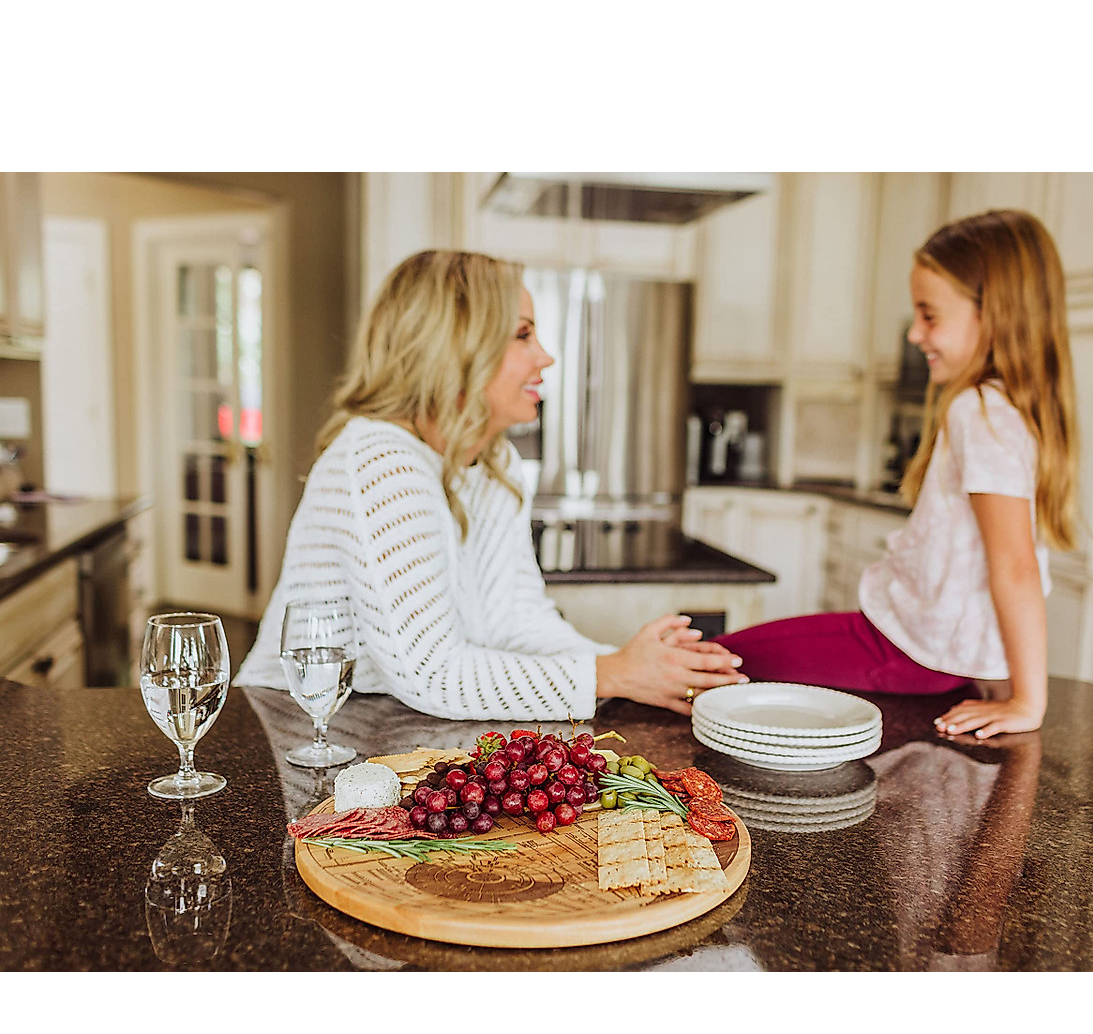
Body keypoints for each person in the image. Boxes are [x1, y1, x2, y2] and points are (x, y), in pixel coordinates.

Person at [235, 249, 747, 721]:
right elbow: (431, 673)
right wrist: (613, 673)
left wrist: (639, 668)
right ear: (455, 347)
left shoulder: (492, 457)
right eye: (523, 335)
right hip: (304, 726)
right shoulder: (380, 461)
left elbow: (517, 620)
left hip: (391, 719)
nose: (545, 357)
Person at [715, 210, 1077, 739]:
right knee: (716, 661)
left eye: (930, 315)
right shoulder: (1006, 408)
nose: (914, 333)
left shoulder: (977, 409)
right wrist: (998, 677)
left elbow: (1015, 564)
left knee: (714, 661)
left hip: (901, 650)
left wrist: (1027, 700)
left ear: (994, 315)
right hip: (915, 648)